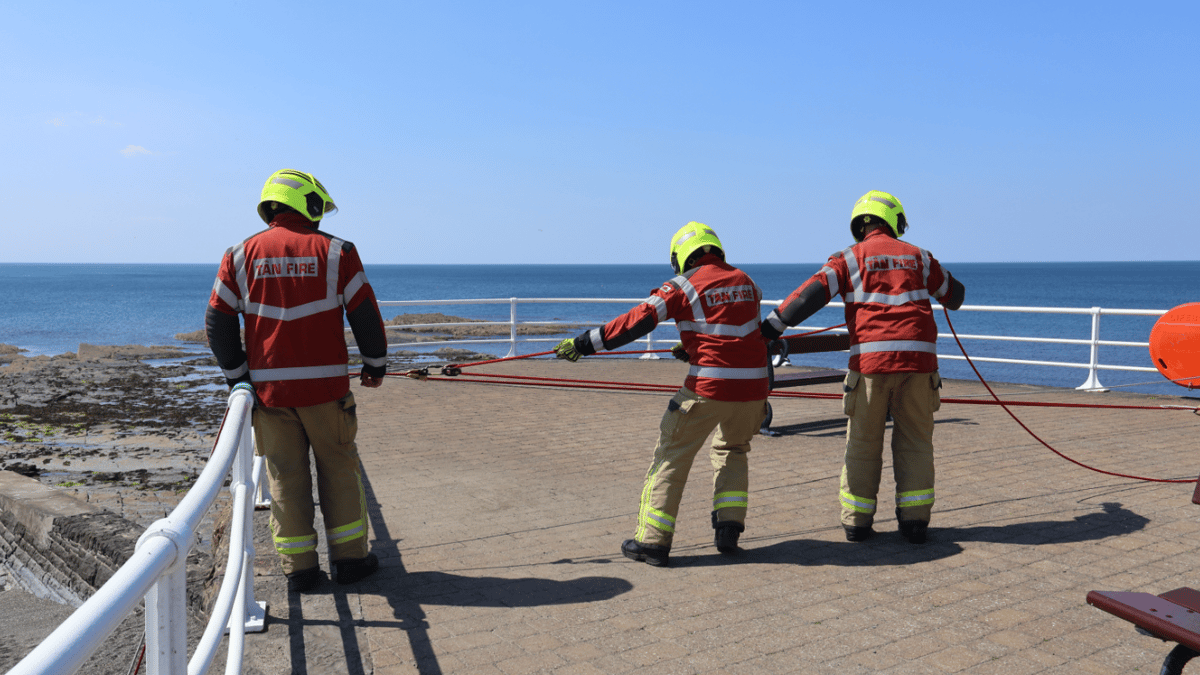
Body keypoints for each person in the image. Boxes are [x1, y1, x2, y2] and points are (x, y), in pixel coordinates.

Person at [206, 169, 389, 592]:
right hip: (326, 392)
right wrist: (375, 365)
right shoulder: (338, 252)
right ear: (308, 203)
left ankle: (300, 570)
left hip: (270, 396)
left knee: (285, 478)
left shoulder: (239, 255)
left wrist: (238, 378)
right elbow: (364, 312)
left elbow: (217, 320)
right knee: (339, 471)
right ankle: (350, 561)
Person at [554, 222, 769, 567]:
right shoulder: (747, 282)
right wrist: (692, 347)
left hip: (708, 387)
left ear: (680, 256)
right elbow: (740, 333)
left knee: (671, 456)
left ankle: (652, 541)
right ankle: (728, 530)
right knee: (733, 450)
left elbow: (639, 320)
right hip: (754, 389)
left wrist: (584, 343)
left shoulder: (683, 284)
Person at [760, 191, 965, 544]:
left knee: (863, 444)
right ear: (895, 220)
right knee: (915, 443)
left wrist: (770, 328)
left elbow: (810, 295)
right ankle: (915, 522)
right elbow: (955, 296)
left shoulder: (848, 259)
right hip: (918, 366)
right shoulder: (919, 257)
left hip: (870, 366)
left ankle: (857, 522)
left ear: (859, 224)